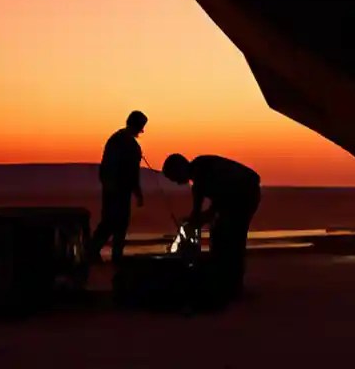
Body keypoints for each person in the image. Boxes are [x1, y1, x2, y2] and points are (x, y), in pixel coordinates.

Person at [162, 153, 261, 297]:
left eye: (174, 178)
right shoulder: (198, 177)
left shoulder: (202, 172)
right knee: (223, 234)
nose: (176, 182)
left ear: (179, 169)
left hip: (245, 192)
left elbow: (222, 198)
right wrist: (196, 220)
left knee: (232, 237)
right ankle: (227, 281)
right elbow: (199, 211)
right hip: (240, 192)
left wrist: (201, 219)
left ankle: (233, 285)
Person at [87, 111, 147, 263]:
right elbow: (132, 173)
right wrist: (137, 193)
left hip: (114, 188)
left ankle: (96, 252)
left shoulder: (116, 139)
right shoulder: (127, 144)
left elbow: (107, 166)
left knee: (112, 222)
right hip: (117, 189)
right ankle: (101, 253)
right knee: (115, 222)